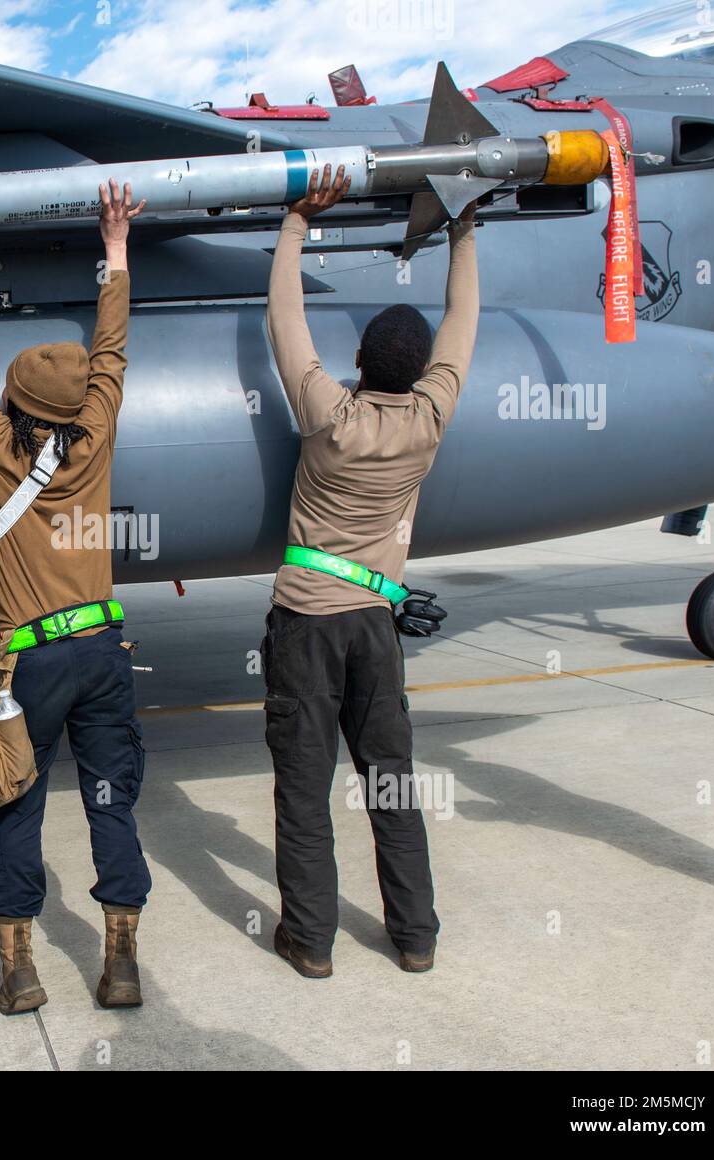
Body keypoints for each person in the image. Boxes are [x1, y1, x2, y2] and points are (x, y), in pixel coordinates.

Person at [0, 180, 152, 1014]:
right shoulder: (93, 441)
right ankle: (121, 963)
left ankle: (19, 969)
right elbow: (112, 355)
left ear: (18, 403)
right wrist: (117, 248)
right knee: (111, 807)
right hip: (102, 651)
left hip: (27, 662)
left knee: (16, 806)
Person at [263, 164, 479, 978]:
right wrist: (462, 227)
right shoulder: (430, 418)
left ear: (358, 358)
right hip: (374, 631)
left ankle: (311, 944)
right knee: (391, 783)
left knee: (305, 791)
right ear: (421, 371)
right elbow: (463, 319)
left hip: (305, 627)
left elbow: (285, 322)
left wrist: (296, 222)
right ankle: (415, 936)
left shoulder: (330, 418)